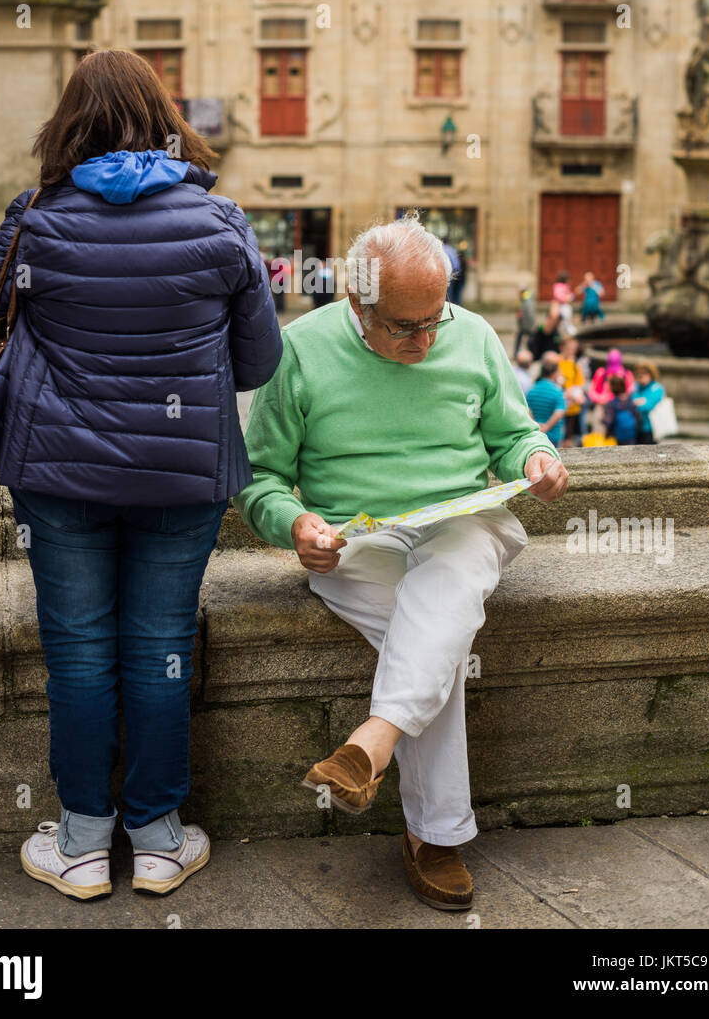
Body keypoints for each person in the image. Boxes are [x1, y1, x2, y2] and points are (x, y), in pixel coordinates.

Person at [0, 50, 283, 901]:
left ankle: (85, 844)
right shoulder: (220, 221)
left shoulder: (36, 219)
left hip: (60, 479)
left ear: (68, 125)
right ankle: (162, 840)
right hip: (182, 479)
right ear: (167, 119)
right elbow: (257, 363)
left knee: (80, 654)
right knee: (162, 651)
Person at [234, 213, 568, 912]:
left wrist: (537, 459)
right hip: (360, 541)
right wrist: (296, 523)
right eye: (403, 327)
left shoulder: (470, 333)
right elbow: (258, 475)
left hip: (462, 523)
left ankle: (374, 748)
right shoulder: (298, 350)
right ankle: (431, 834)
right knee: (432, 636)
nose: (424, 339)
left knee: (459, 556)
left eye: (433, 321)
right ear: (356, 304)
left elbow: (514, 434)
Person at [526, 354, 567, 448]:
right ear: (554, 373)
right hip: (553, 436)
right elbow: (559, 413)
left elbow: (527, 409)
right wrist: (547, 427)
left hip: (536, 436)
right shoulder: (557, 391)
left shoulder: (533, 389)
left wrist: (537, 426)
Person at [557, 336, 586, 447]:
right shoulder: (557, 362)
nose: (572, 351)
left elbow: (580, 383)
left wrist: (578, 394)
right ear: (562, 347)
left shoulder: (575, 364)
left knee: (569, 439)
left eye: (574, 348)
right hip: (560, 406)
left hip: (573, 407)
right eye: (569, 348)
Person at [632, 361, 666, 445]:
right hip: (635, 428)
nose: (641, 376)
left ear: (651, 374)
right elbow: (630, 402)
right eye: (638, 373)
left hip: (650, 429)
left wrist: (636, 403)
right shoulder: (636, 387)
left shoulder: (656, 388)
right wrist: (640, 402)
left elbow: (648, 406)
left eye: (644, 373)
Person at [603, 374, 641, 446]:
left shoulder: (612, 403)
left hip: (618, 436)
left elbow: (609, 421)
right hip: (631, 435)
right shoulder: (630, 401)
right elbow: (638, 417)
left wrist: (606, 433)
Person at [514, 284, 536, 356]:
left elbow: (520, 312)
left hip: (525, 323)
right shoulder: (529, 296)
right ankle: (531, 352)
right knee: (530, 338)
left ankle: (517, 353)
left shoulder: (523, 298)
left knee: (520, 337)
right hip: (530, 322)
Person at [442, 237, 463, 305]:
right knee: (454, 292)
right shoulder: (452, 249)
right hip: (456, 272)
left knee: (447, 293)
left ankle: (447, 307)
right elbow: (457, 263)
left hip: (449, 272)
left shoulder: (443, 249)